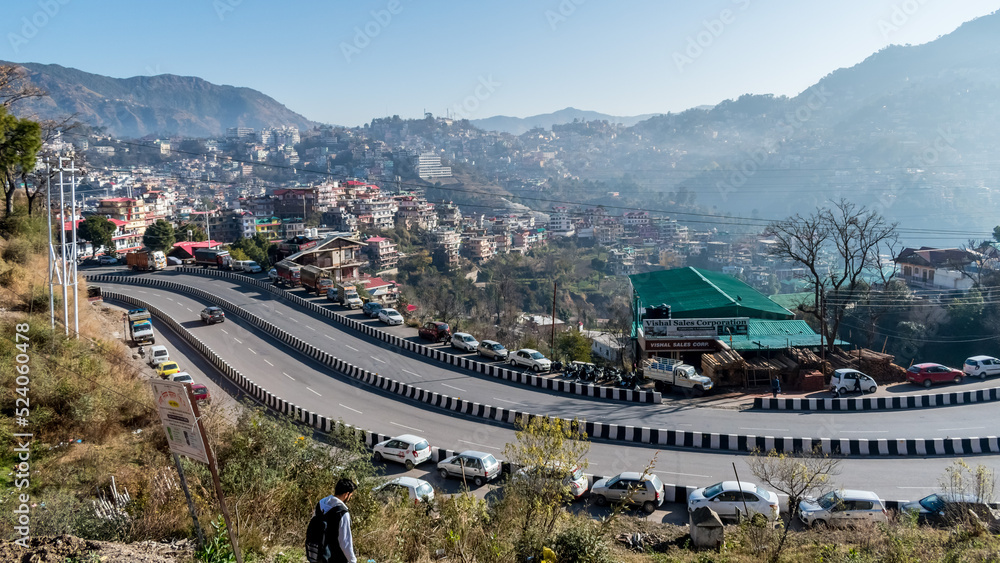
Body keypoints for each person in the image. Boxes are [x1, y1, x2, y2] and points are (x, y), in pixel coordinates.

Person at [312, 478, 357, 563]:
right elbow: (345, 541)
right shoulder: (343, 513)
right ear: (346, 494)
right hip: (334, 557)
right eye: (351, 495)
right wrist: (352, 560)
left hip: (318, 554)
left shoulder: (320, 504)